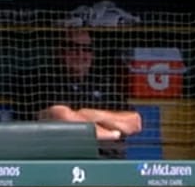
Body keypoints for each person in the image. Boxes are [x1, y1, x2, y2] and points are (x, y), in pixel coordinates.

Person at [22, 27, 141, 158]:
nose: (80, 53)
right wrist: (110, 133)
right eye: (72, 47)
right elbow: (61, 115)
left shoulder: (103, 82)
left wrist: (91, 114)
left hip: (108, 160)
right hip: (62, 160)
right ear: (58, 51)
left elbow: (134, 121)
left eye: (87, 49)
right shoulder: (41, 79)